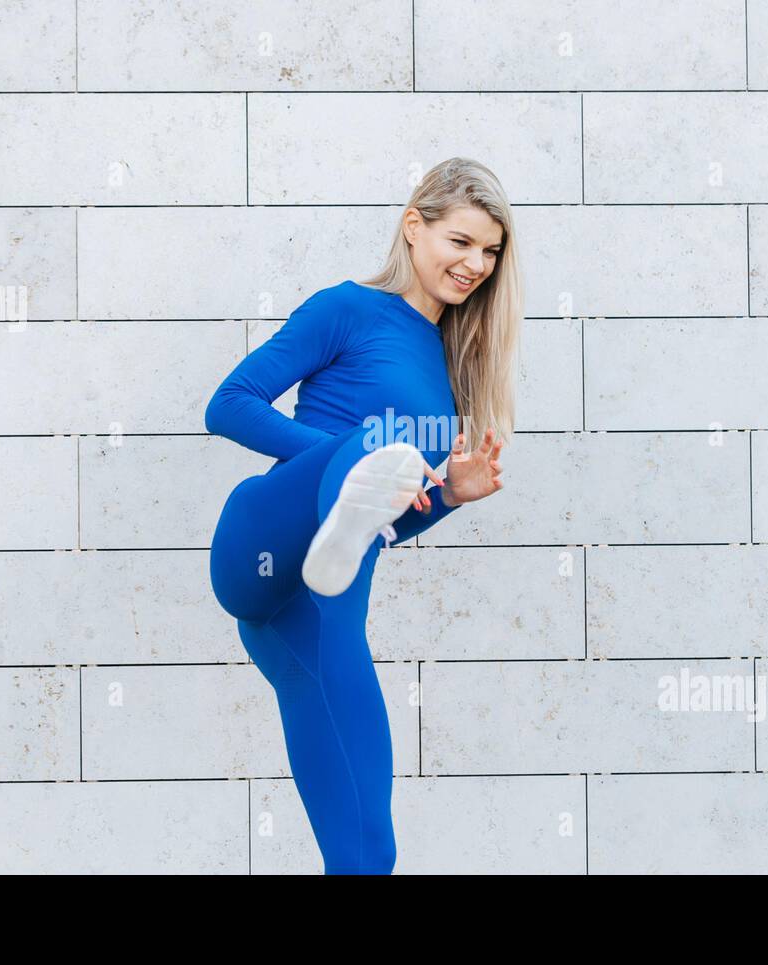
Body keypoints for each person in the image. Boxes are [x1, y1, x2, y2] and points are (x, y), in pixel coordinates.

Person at [204, 157, 520, 874]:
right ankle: (351, 479)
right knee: (370, 454)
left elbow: (390, 516)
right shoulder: (347, 309)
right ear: (415, 227)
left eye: (491, 251)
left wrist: (446, 496)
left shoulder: (447, 369)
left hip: (315, 614)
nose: (477, 263)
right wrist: (350, 456)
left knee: (369, 850)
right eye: (461, 241)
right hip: (263, 540)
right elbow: (228, 404)